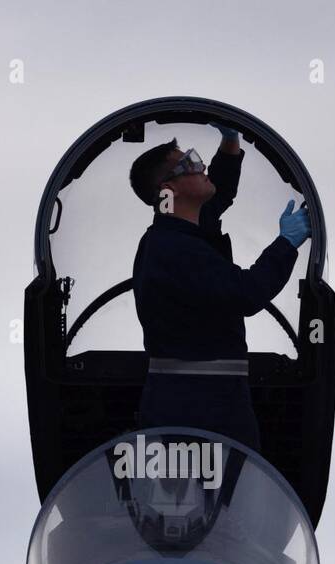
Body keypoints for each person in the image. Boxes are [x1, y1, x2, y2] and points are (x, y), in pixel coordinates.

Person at [128, 125, 311, 451]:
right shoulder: (172, 250)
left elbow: (219, 191)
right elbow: (246, 293)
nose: (202, 168)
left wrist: (230, 140)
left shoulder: (176, 233)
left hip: (200, 403)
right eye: (191, 163)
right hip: (198, 415)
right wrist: (286, 244)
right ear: (169, 190)